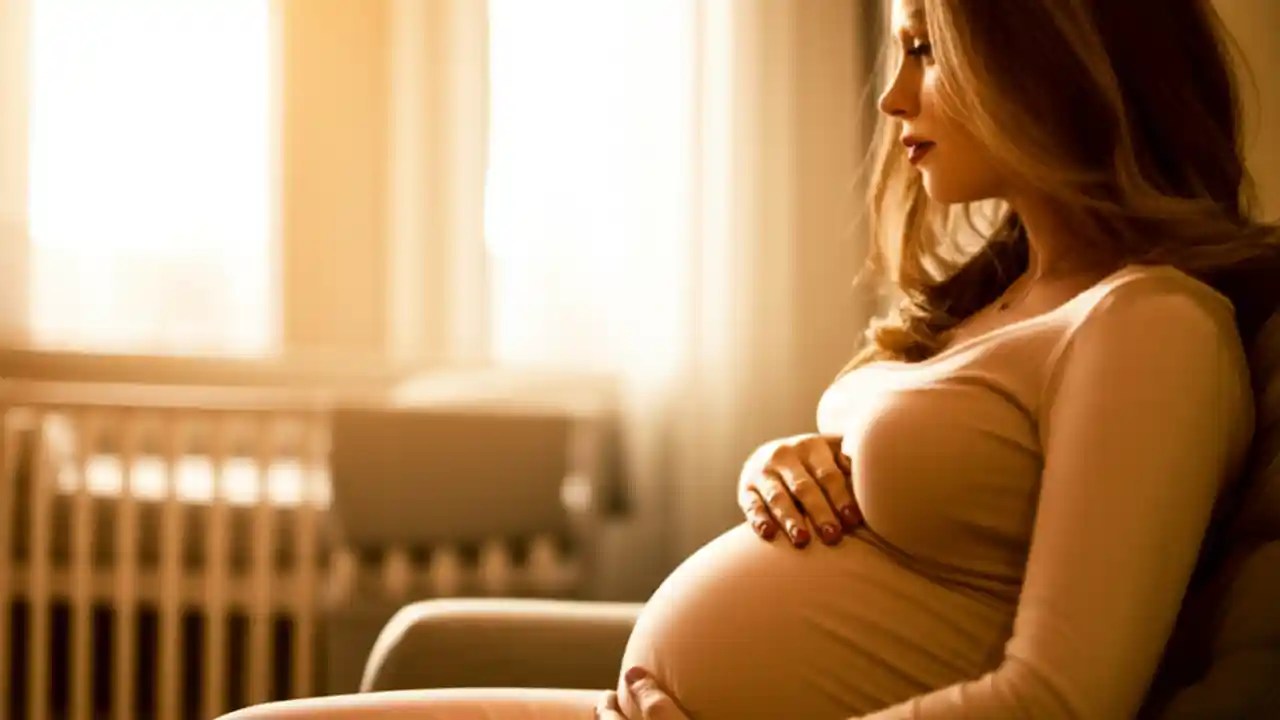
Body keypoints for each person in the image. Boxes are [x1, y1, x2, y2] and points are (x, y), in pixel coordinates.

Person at [225, 0, 1280, 718]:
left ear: (1050, 52)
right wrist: (783, 462)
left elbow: (1053, 701)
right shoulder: (998, 302)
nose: (891, 99)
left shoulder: (1149, 326)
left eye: (924, 46)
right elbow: (925, 501)